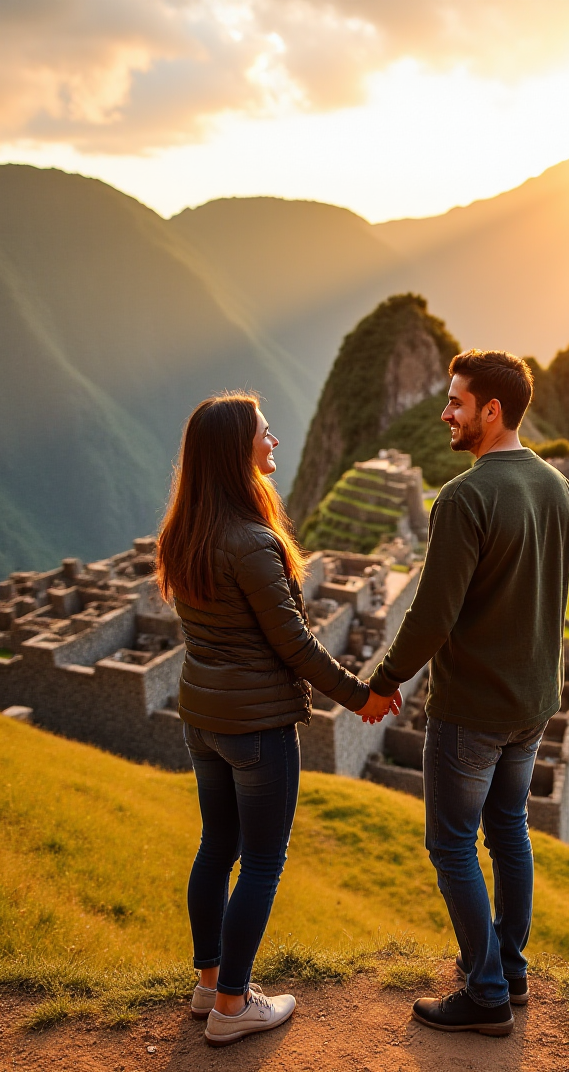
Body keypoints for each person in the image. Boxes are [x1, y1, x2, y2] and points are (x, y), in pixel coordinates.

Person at [156, 393, 401, 1048]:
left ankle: (210, 982)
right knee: (262, 861)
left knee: (217, 848)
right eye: (265, 434)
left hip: (203, 717)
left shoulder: (185, 533)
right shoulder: (252, 542)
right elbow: (293, 644)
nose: (274, 442)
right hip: (257, 728)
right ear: (238, 450)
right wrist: (361, 696)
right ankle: (234, 1005)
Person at [362, 350, 569, 1036]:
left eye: (456, 402)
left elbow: (432, 614)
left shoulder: (465, 498)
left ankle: (485, 992)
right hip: (534, 701)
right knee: (509, 828)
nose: (445, 413)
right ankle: (508, 971)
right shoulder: (559, 488)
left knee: (452, 844)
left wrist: (384, 682)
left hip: (475, 709)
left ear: (492, 410)